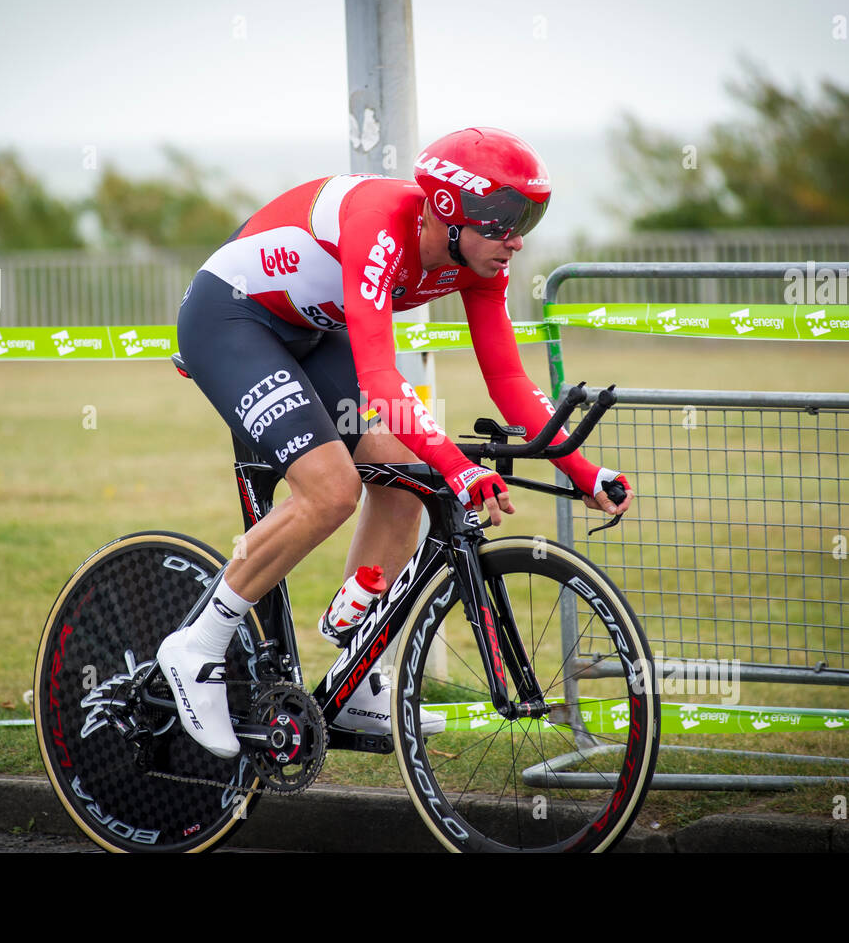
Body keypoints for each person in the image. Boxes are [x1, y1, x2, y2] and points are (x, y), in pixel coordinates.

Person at [159, 127, 634, 759]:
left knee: (407, 471)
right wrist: (461, 468)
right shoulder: (382, 224)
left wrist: (582, 469)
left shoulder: (477, 259)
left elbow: (508, 380)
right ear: (448, 211)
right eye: (504, 221)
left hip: (306, 329)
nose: (517, 239)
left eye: (530, 219)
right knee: (330, 490)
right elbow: (382, 380)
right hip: (232, 319)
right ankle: (196, 645)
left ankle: (353, 677)